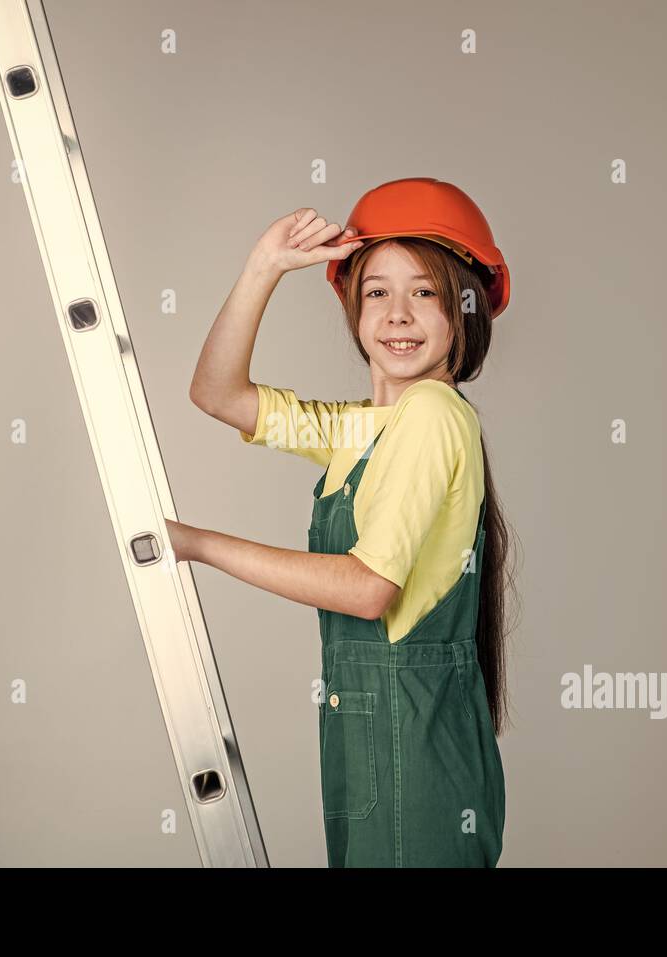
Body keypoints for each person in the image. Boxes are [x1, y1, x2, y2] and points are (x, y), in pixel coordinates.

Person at [166, 177, 517, 867]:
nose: (399, 314)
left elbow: (365, 588)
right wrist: (264, 266)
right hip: (369, 737)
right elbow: (217, 391)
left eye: (425, 291)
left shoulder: (435, 415)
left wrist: (199, 544)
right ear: (353, 307)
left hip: (413, 756)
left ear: (463, 311)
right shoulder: (365, 428)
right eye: (377, 291)